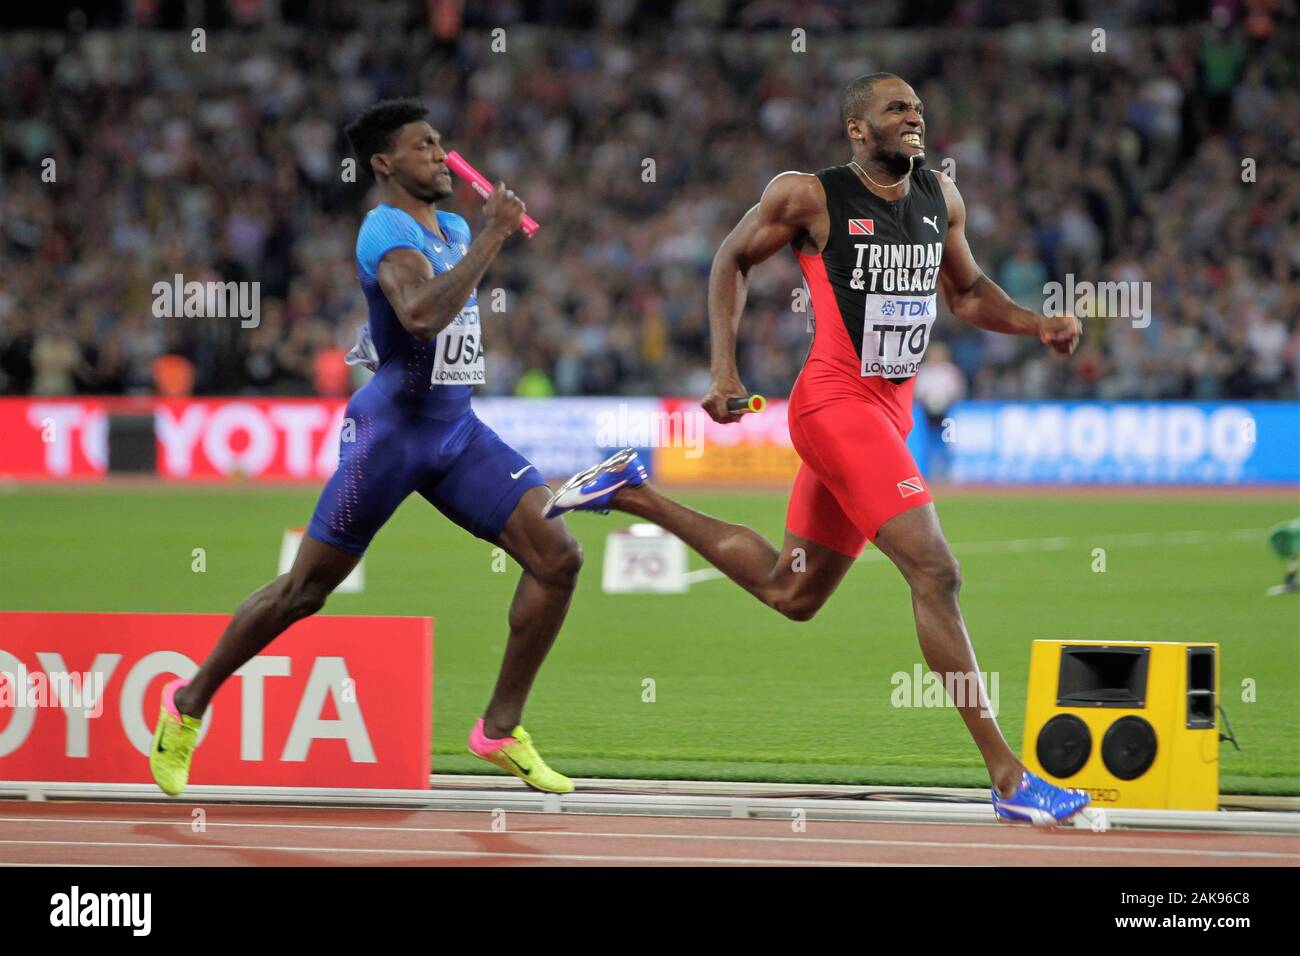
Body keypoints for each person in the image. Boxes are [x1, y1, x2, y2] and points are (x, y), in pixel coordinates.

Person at [546, 74, 1089, 826]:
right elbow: (731, 260)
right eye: (897, 110)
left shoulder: (942, 199)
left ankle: (631, 491)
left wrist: (1037, 323)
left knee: (789, 592)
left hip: (888, 416)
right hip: (835, 407)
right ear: (857, 130)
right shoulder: (810, 195)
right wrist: (723, 369)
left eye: (920, 110)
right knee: (935, 569)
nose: (915, 119)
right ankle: (1008, 779)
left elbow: (964, 296)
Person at [150, 99, 581, 796]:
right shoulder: (383, 230)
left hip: (455, 430)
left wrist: (479, 238)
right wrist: (494, 238)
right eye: (424, 146)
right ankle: (187, 703)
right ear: (385, 163)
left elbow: (443, 322)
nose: (442, 155)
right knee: (303, 591)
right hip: (391, 438)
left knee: (558, 556)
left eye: (442, 144)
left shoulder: (454, 225)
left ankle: (498, 731)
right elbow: (417, 315)